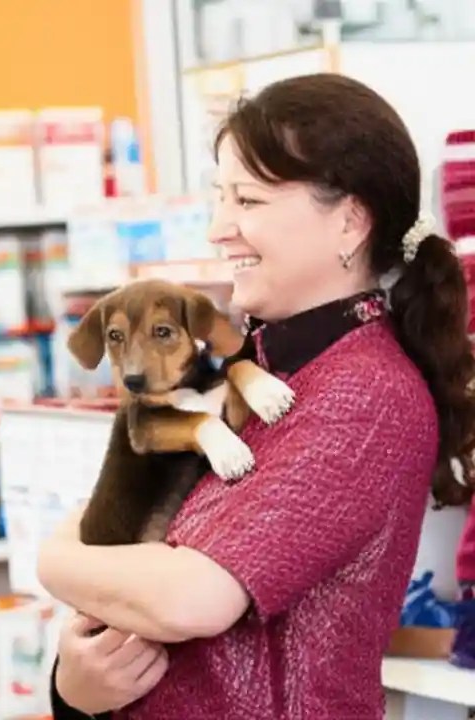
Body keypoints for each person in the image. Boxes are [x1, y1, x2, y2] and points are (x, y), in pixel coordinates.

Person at [37, 73, 475, 719]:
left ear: (350, 220)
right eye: (219, 198)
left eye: (247, 201)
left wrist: (53, 560)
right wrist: (73, 689)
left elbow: (189, 599)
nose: (218, 228)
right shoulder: (261, 367)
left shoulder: (364, 395)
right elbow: (123, 514)